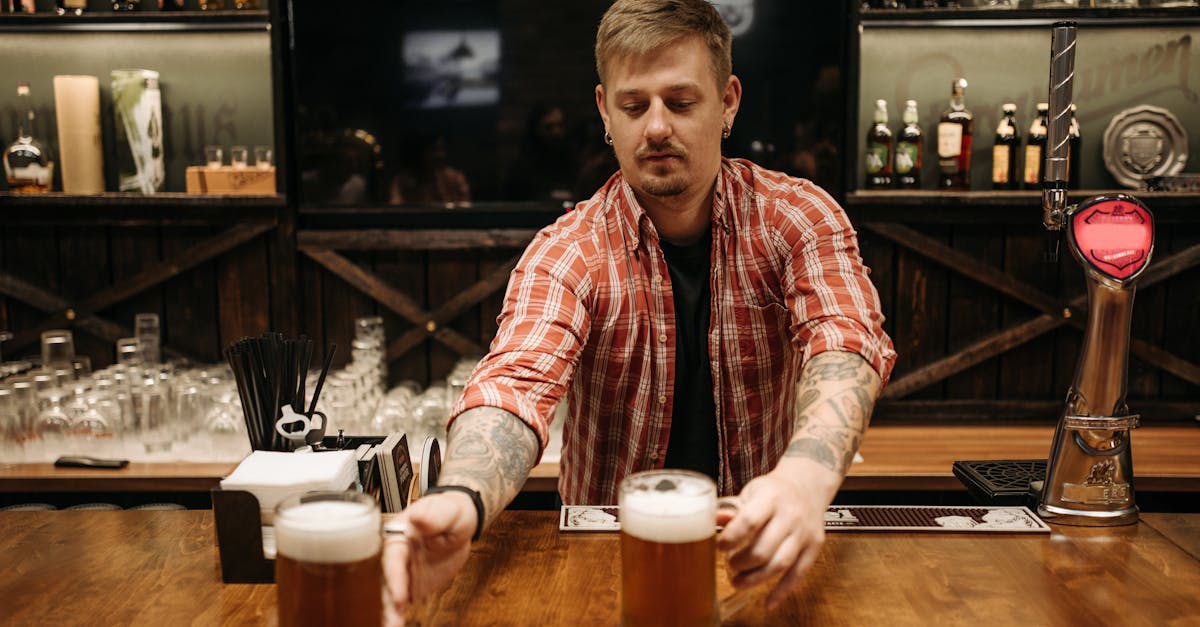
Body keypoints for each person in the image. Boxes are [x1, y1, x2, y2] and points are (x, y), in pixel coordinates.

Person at [383, 0, 896, 621]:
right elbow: (515, 382)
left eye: (680, 102)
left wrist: (805, 481)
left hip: (760, 548)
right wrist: (461, 497)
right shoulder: (568, 250)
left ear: (728, 102)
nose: (656, 127)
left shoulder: (797, 216)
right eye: (634, 106)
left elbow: (843, 339)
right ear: (605, 111)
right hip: (608, 564)